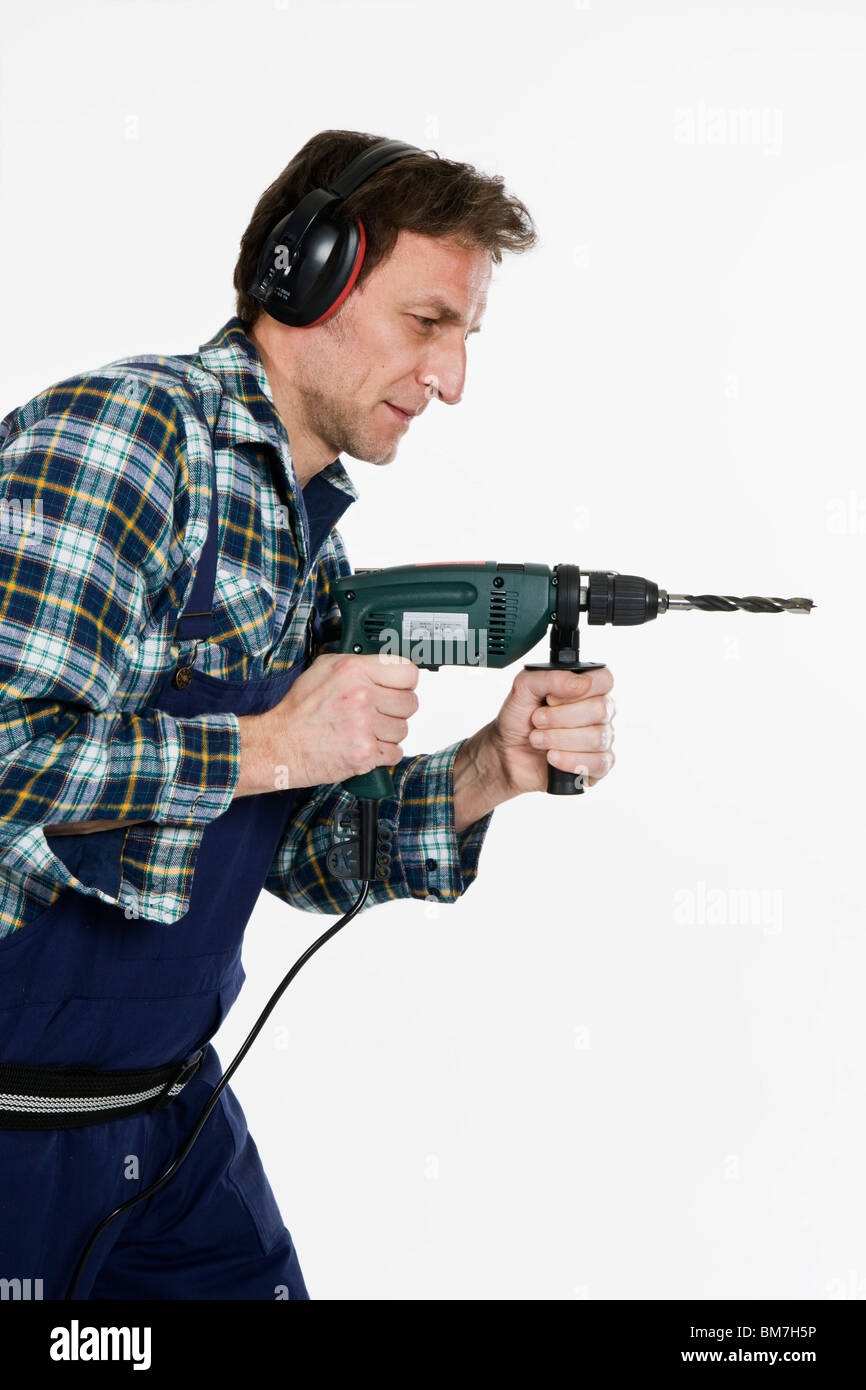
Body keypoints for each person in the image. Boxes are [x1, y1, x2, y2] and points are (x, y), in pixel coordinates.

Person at [0, 129, 615, 1300]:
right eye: (426, 322)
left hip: (164, 1118)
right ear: (308, 274)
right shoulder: (122, 442)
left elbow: (301, 854)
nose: (451, 380)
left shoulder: (300, 534)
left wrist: (492, 766)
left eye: (466, 339)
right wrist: (267, 741)